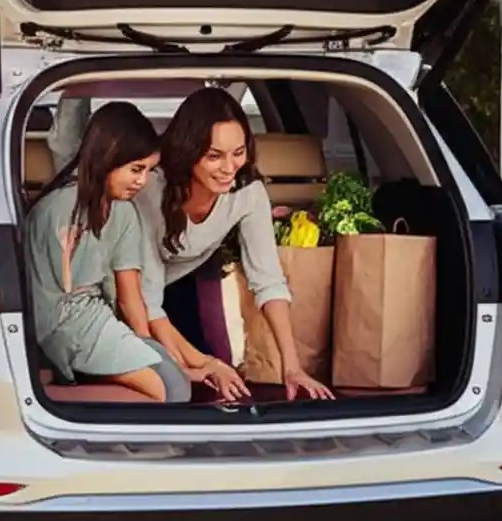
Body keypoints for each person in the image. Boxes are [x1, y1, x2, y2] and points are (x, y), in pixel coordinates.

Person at [133, 87, 335, 403]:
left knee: (219, 387)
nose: (229, 168)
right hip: (129, 298)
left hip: (180, 287)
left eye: (238, 152)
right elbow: (145, 300)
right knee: (176, 390)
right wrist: (199, 363)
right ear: (188, 152)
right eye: (214, 156)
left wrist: (291, 368)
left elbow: (268, 280)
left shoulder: (247, 192)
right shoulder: (150, 192)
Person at [25, 101, 192, 404]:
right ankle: (53, 400)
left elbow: (129, 296)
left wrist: (145, 346)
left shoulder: (125, 213)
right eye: (136, 169)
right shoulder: (55, 208)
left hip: (95, 319)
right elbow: (55, 294)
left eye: (149, 170)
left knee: (176, 385)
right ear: (108, 157)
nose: (142, 181)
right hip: (59, 322)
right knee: (169, 392)